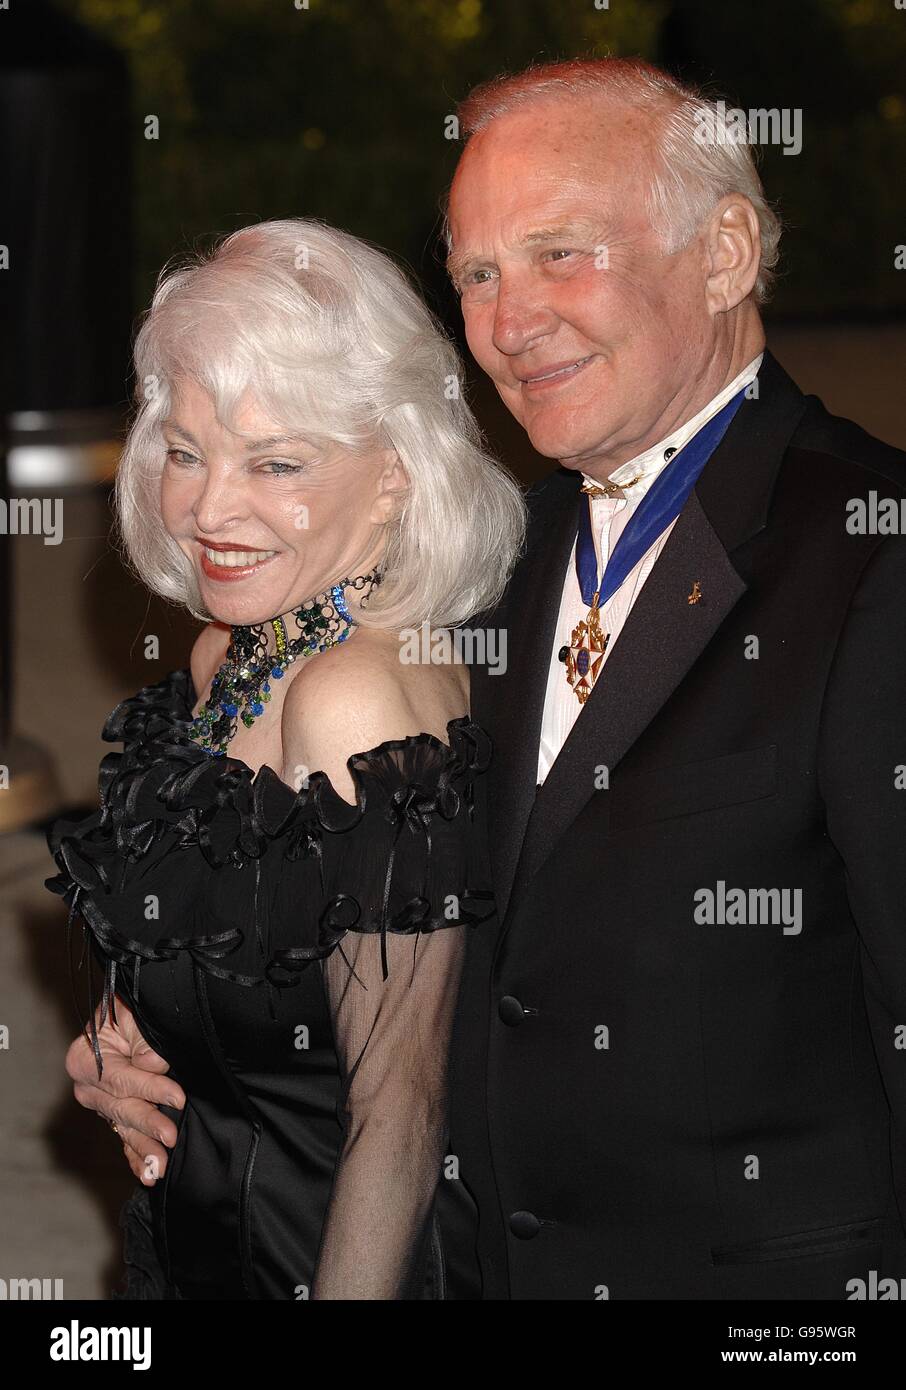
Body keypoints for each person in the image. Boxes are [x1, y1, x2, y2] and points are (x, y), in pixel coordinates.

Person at [70, 54, 906, 1301]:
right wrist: (143, 1026)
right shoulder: (480, 564)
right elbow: (292, 879)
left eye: (562, 252)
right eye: (475, 272)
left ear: (727, 251)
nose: (511, 320)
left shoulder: (871, 554)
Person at [45, 217, 526, 1300]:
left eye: (276, 463)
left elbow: (401, 1115)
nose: (209, 509)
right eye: (185, 450)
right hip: (202, 1237)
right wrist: (123, 1047)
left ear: (396, 474)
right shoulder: (235, 649)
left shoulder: (354, 703)